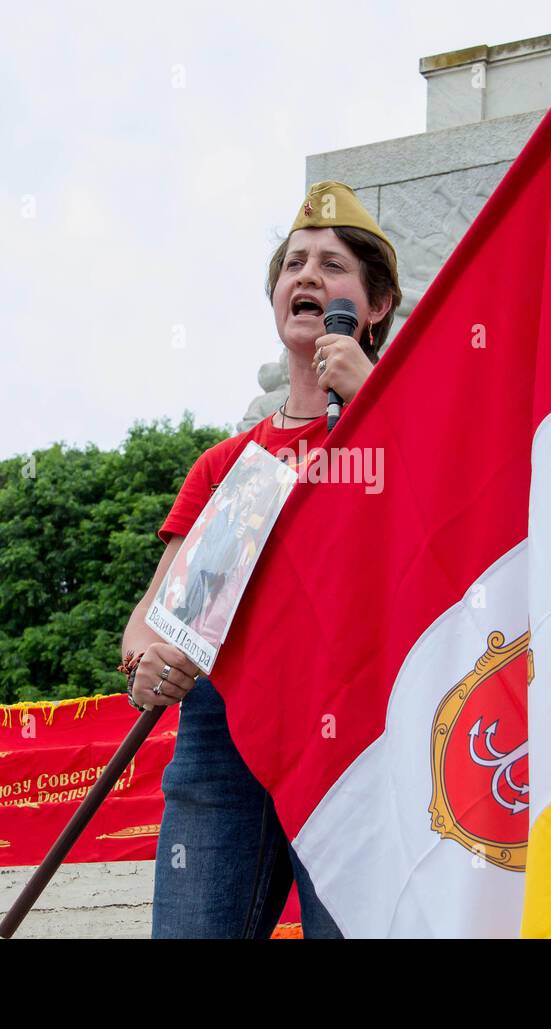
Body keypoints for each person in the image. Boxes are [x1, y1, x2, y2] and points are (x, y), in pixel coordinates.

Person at [118, 181, 402, 938]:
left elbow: (443, 532)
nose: (307, 276)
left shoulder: (405, 427)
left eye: (333, 266)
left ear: (373, 306)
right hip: (224, 732)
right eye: (294, 264)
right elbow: (150, 623)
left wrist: (376, 402)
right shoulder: (226, 466)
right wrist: (151, 660)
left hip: (359, 726)